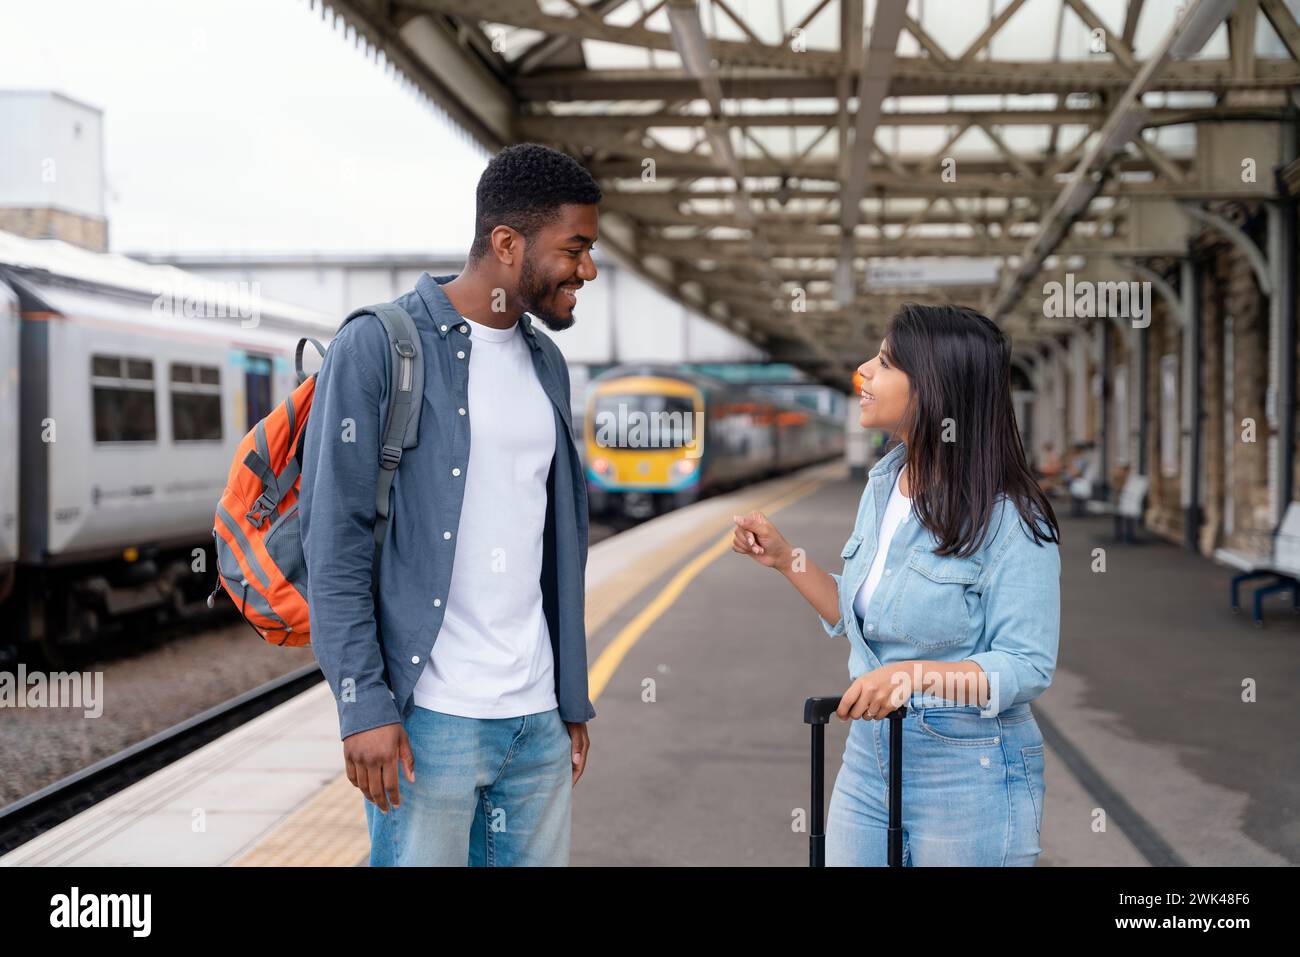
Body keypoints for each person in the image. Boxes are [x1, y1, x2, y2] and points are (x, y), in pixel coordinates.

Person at [299, 143, 601, 866]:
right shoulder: (377, 347)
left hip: (535, 718)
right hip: (429, 721)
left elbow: (556, 539)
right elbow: (332, 542)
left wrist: (569, 698)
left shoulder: (545, 362)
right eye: (576, 248)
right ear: (506, 244)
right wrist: (362, 704)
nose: (587, 270)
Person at [731, 302, 1061, 866]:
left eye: (883, 362)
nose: (863, 371)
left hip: (969, 766)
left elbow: (1026, 666)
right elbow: (865, 621)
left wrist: (911, 677)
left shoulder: (1012, 518)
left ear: (931, 386)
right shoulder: (885, 485)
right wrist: (788, 559)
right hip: (871, 755)